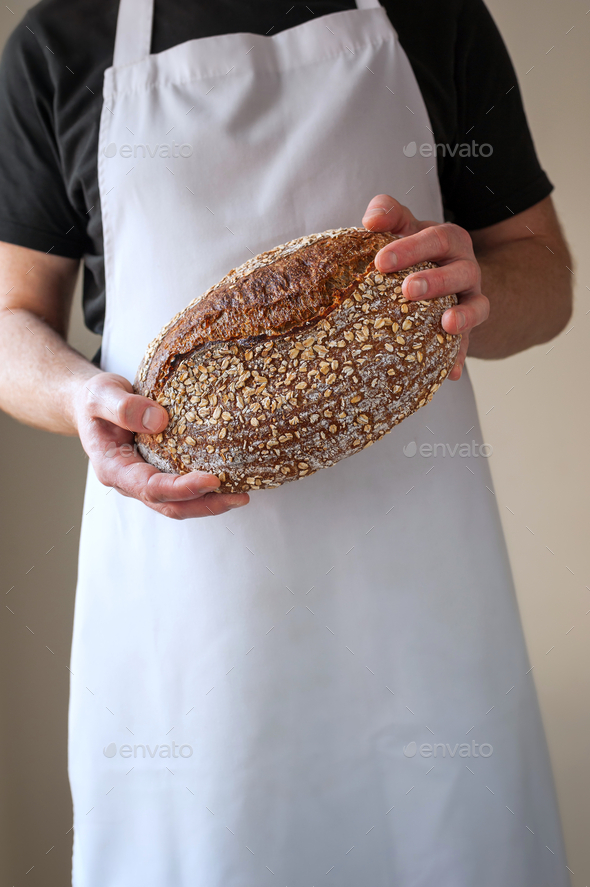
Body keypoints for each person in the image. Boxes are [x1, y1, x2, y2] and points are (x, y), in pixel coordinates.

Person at [0, 0, 573, 884]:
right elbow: (10, 322)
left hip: (419, 600)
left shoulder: (435, 15)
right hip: (185, 605)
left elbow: (545, 272)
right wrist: (84, 396)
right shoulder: (61, 46)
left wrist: (480, 288)